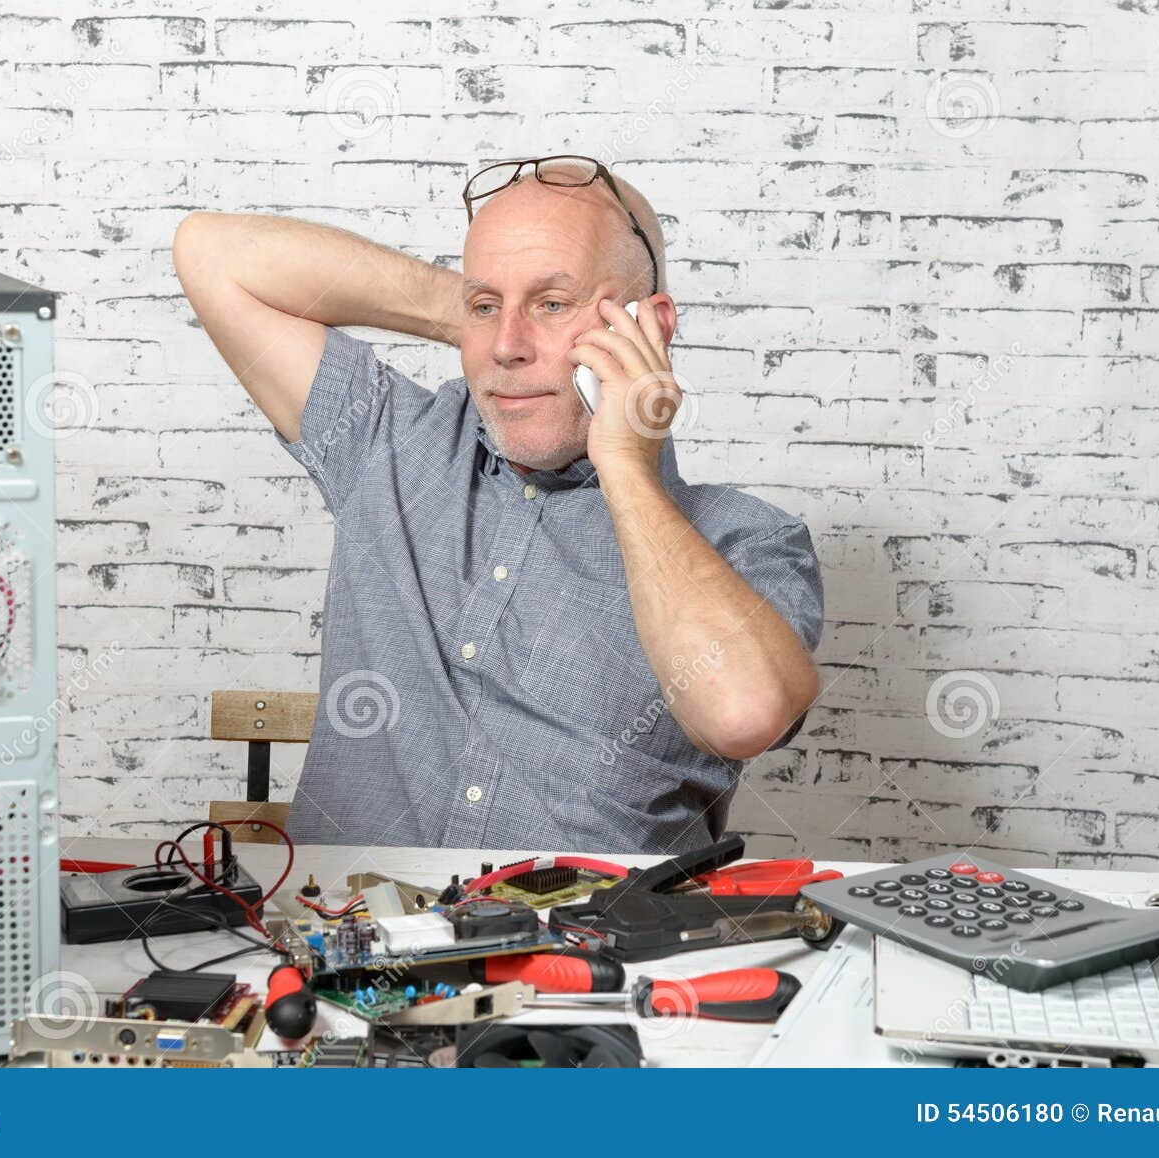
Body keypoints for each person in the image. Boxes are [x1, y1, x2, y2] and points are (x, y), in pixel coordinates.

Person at [172, 155, 823, 854]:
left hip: (591, 952)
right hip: (347, 941)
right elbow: (211, 253)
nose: (508, 347)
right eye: (486, 309)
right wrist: (488, 316)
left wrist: (626, 467)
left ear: (650, 329)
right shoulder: (388, 444)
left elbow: (742, 714)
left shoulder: (746, 540)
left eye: (552, 303)